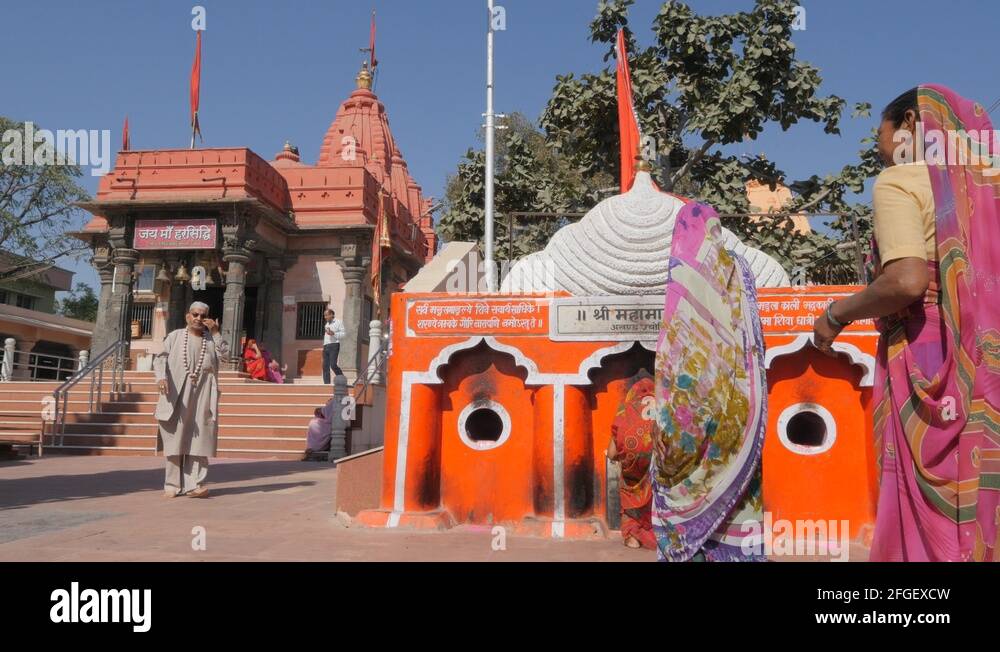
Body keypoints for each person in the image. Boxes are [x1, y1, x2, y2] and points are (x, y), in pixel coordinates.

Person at [813, 85, 1000, 561]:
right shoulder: (988, 190)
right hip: (987, 358)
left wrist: (835, 315)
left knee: (930, 499)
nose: (878, 146)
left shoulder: (899, 181)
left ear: (911, 125)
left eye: (881, 132)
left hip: (930, 348)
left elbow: (907, 280)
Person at [652, 201, 768, 562]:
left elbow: (677, 359)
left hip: (690, 415)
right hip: (738, 412)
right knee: (737, 493)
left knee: (679, 462)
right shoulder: (740, 271)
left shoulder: (682, 274)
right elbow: (751, 345)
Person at [154, 301, 229, 498]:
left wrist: (216, 332)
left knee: (200, 440)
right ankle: (172, 485)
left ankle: (195, 484)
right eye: (195, 314)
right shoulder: (175, 336)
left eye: (202, 316)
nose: (198, 318)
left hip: (203, 395)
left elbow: (227, 356)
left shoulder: (211, 340)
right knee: (175, 438)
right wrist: (161, 377)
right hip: (177, 395)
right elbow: (160, 358)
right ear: (188, 316)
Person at [607, 371, 657, 550]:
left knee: (629, 491)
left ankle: (633, 537)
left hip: (633, 464)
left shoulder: (626, 408)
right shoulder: (665, 406)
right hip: (659, 464)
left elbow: (612, 454)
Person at [322, 308, 346, 384]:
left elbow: (343, 334)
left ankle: (342, 380)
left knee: (333, 365)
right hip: (326, 345)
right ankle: (326, 384)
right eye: (324, 315)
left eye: (326, 315)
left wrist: (334, 334)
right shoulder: (326, 324)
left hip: (334, 345)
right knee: (325, 366)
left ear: (332, 315)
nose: (325, 317)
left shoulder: (338, 322)